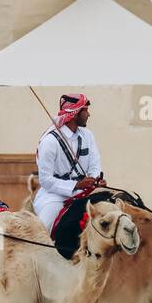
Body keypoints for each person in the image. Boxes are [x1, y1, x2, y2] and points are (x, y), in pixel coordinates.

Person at [33, 92, 104, 234]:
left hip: (85, 192)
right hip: (54, 196)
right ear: (76, 113)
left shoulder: (88, 136)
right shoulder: (50, 141)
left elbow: (95, 165)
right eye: (85, 110)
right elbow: (46, 180)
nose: (88, 115)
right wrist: (76, 185)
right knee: (43, 230)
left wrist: (94, 180)